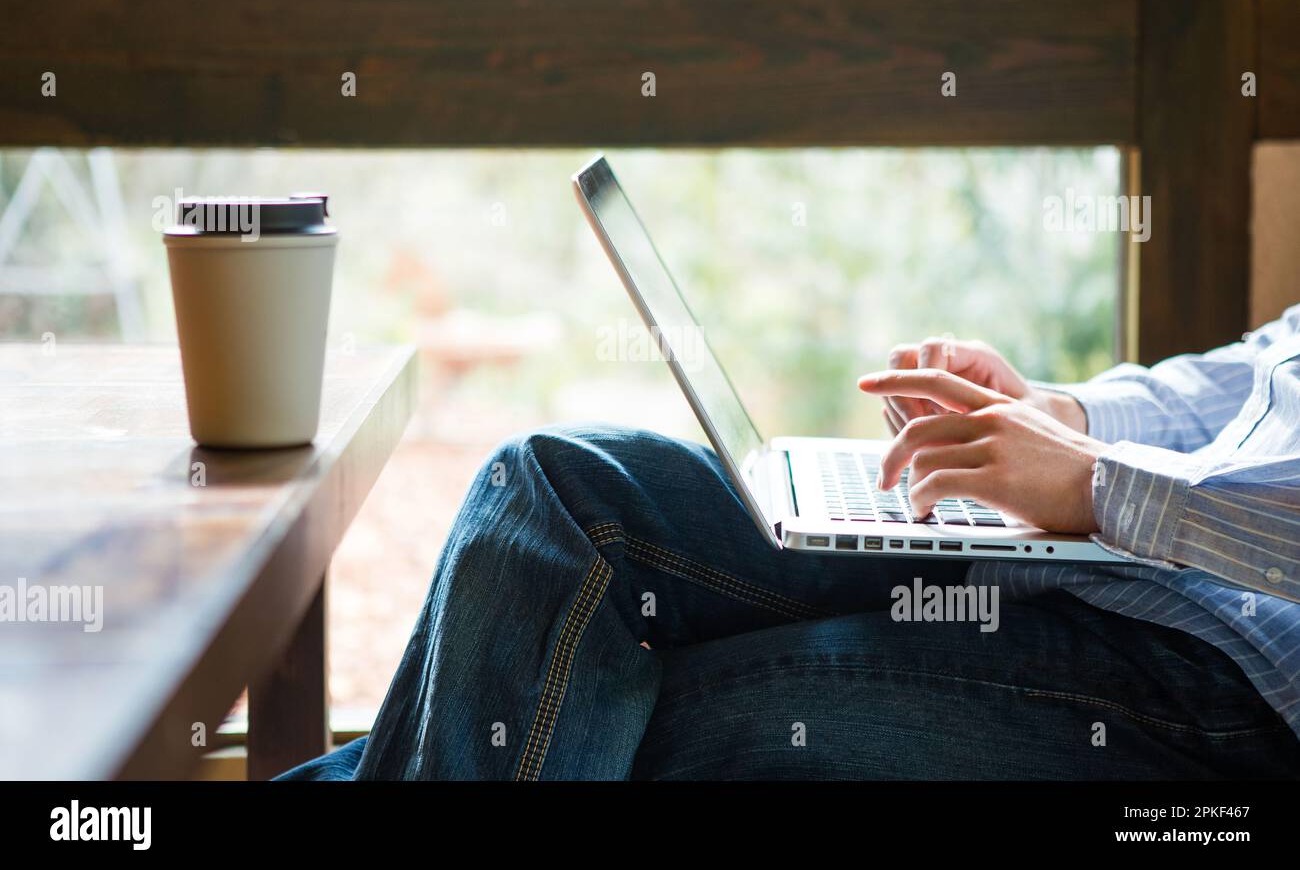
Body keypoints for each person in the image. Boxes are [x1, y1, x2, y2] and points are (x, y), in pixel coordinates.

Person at [281, 305, 1300, 779]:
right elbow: (1258, 375)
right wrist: (1061, 416)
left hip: (1230, 693)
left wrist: (1097, 485)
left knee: (604, 713)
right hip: (1119, 551)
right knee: (553, 486)